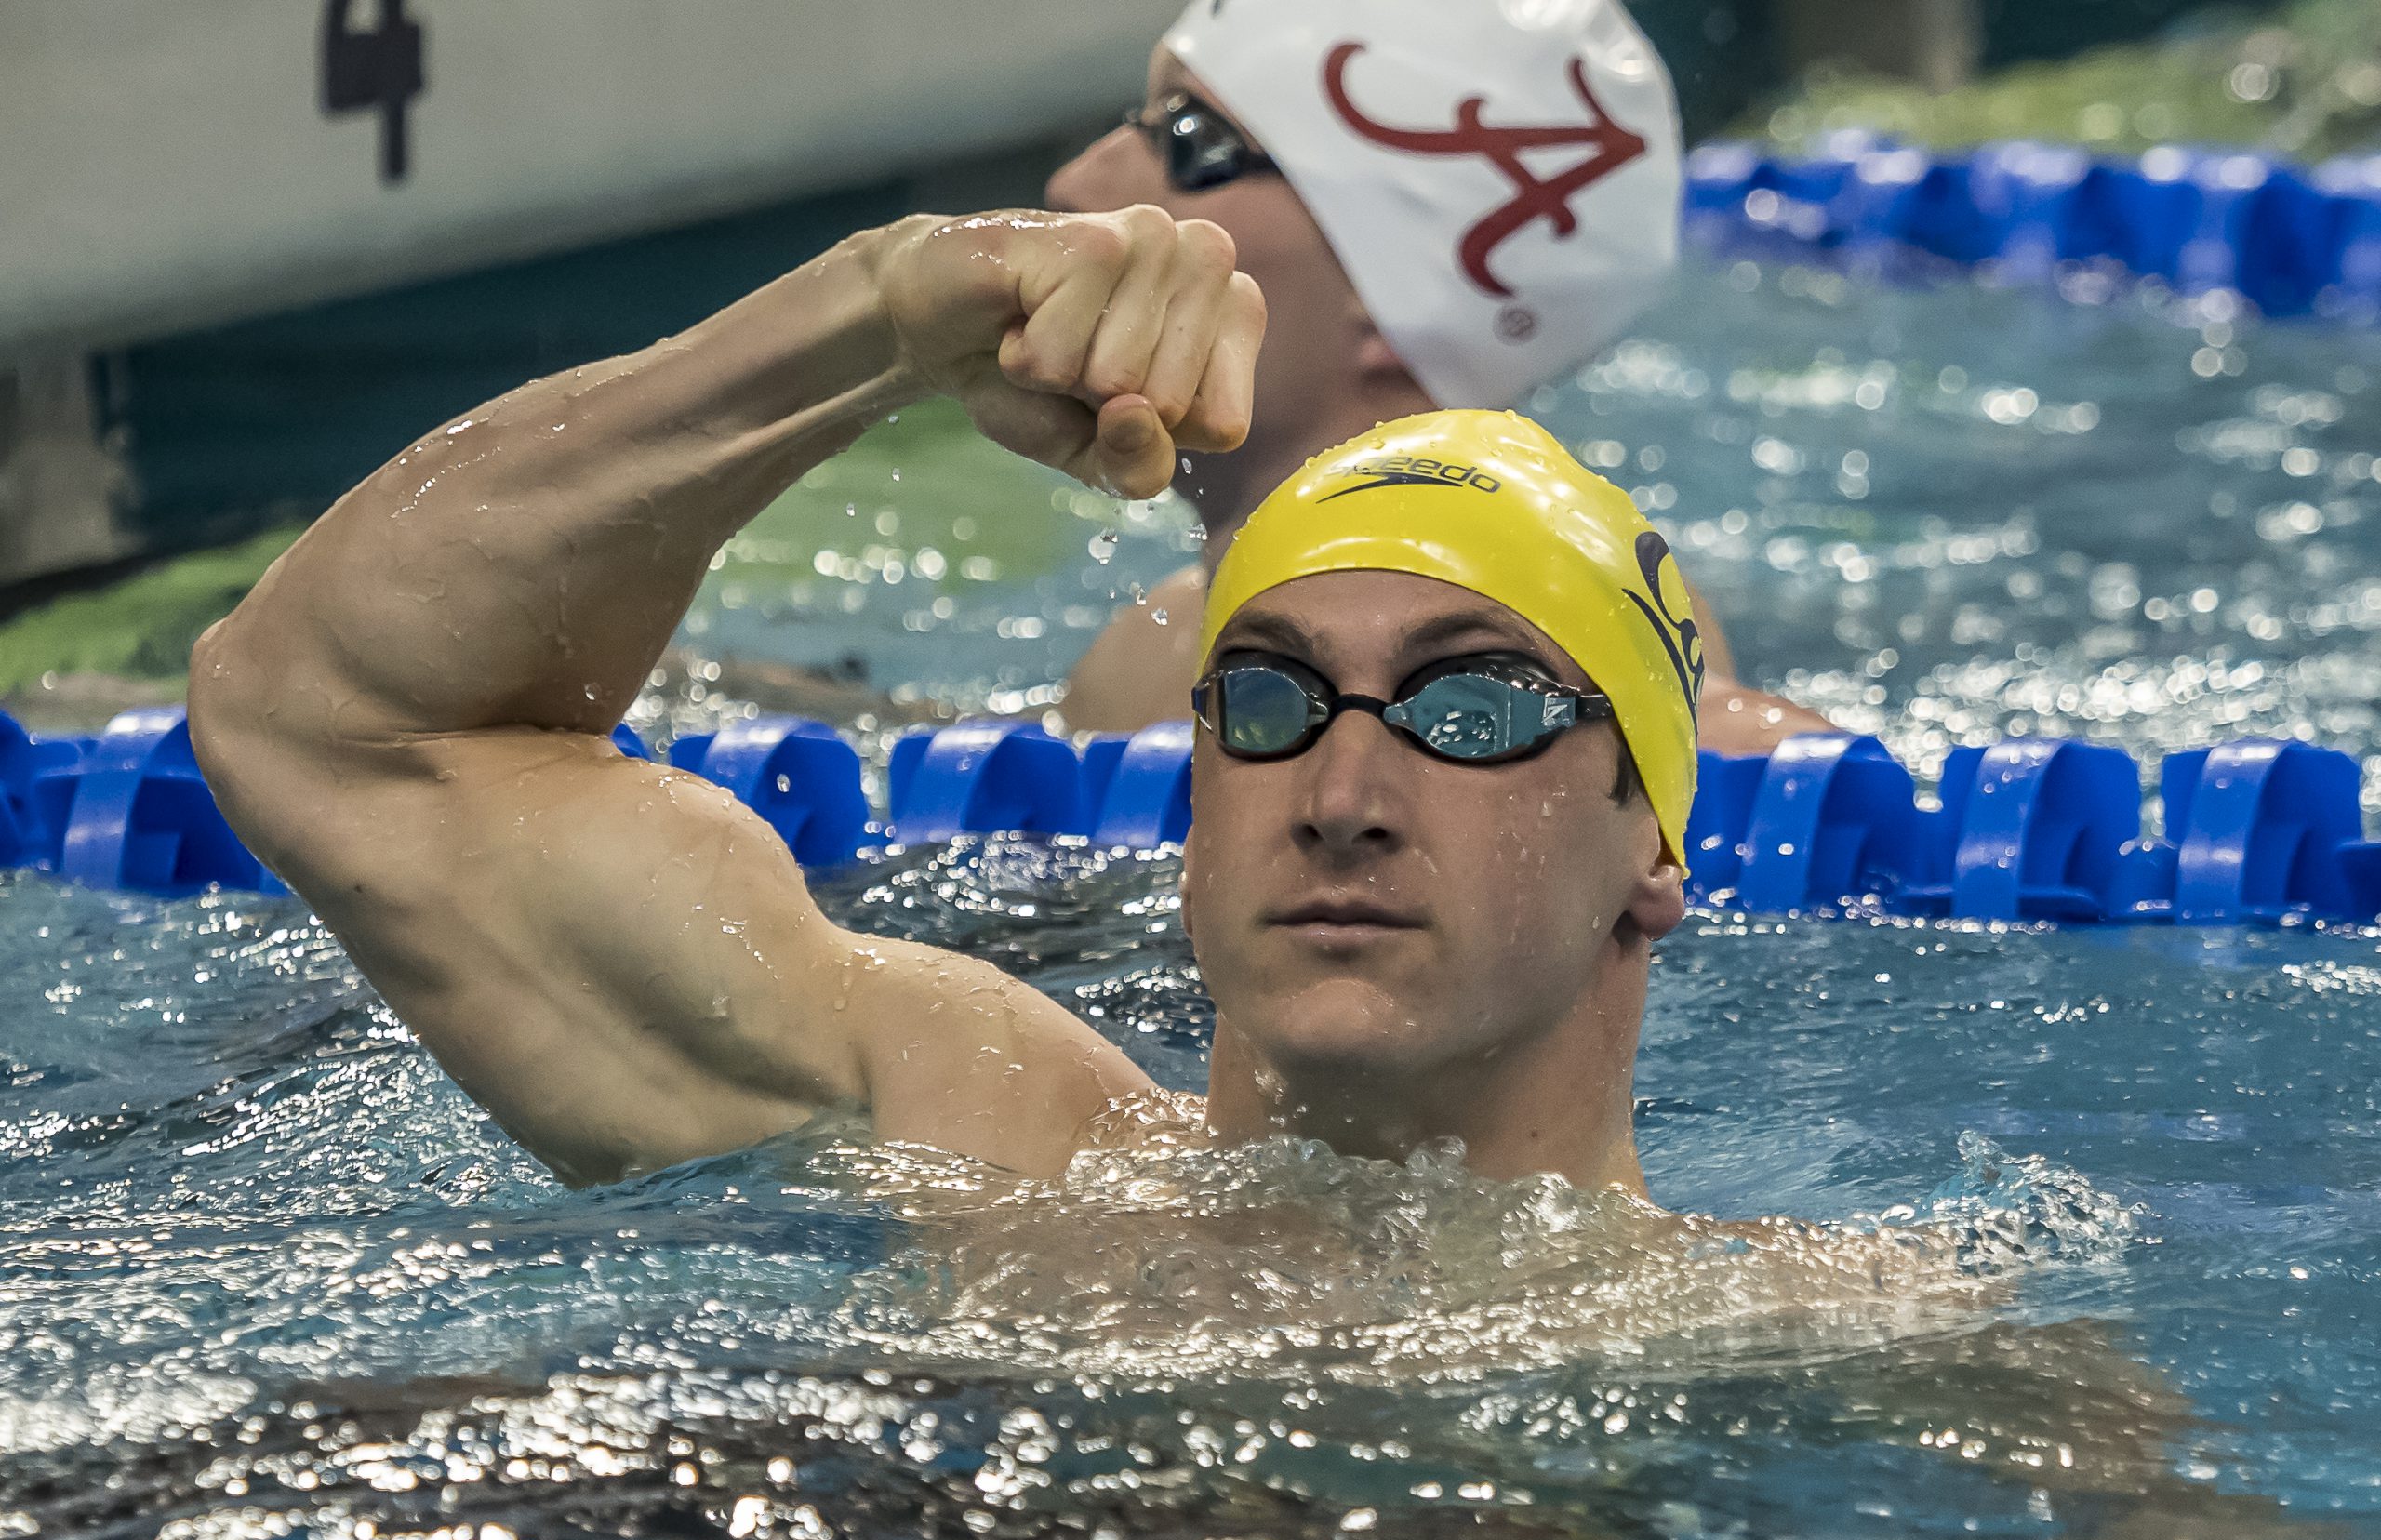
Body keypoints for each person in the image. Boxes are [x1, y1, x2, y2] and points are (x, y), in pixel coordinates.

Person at [188, 180, 1701, 1199]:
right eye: (1271, 701)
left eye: (1471, 713)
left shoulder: (1818, 1341)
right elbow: (323, 721)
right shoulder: (973, 1143)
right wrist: (879, 317)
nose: (1346, 801)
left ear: (1654, 846)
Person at [1050, 0, 1831, 751]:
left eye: (1191, 141)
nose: (1076, 186)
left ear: (1397, 287)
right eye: (1133, 120)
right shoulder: (1144, 656)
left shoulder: (1581, 649)